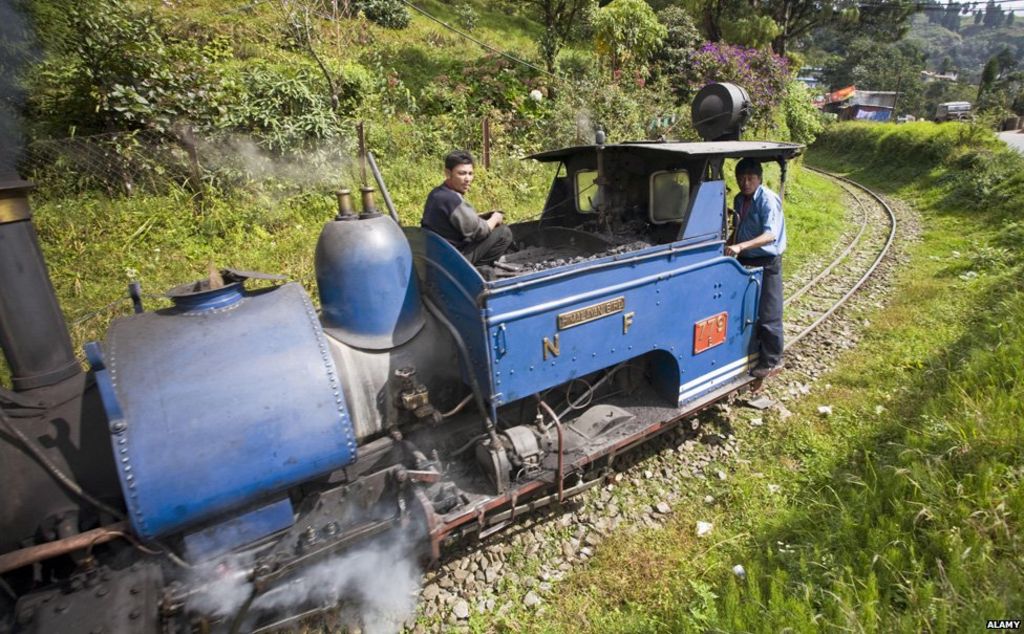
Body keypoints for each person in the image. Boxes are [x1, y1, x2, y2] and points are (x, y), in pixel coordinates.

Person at [726, 158, 786, 378]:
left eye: (750, 178)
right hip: (745, 261)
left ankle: (771, 361)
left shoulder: (767, 199)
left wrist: (740, 246)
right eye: (741, 178)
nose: (745, 183)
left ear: (759, 179)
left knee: (769, 312)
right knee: (743, 310)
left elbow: (770, 235)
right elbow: (737, 227)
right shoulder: (739, 199)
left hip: (766, 261)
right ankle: (745, 353)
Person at [421, 150, 513, 265]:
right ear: (448, 173)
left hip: (436, 255)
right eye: (462, 173)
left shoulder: (437, 193)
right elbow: (480, 232)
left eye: (470, 174)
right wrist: (495, 218)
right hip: (453, 260)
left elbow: (454, 221)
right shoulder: (452, 200)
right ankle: (478, 270)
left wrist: (480, 216)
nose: (467, 179)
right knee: (504, 232)